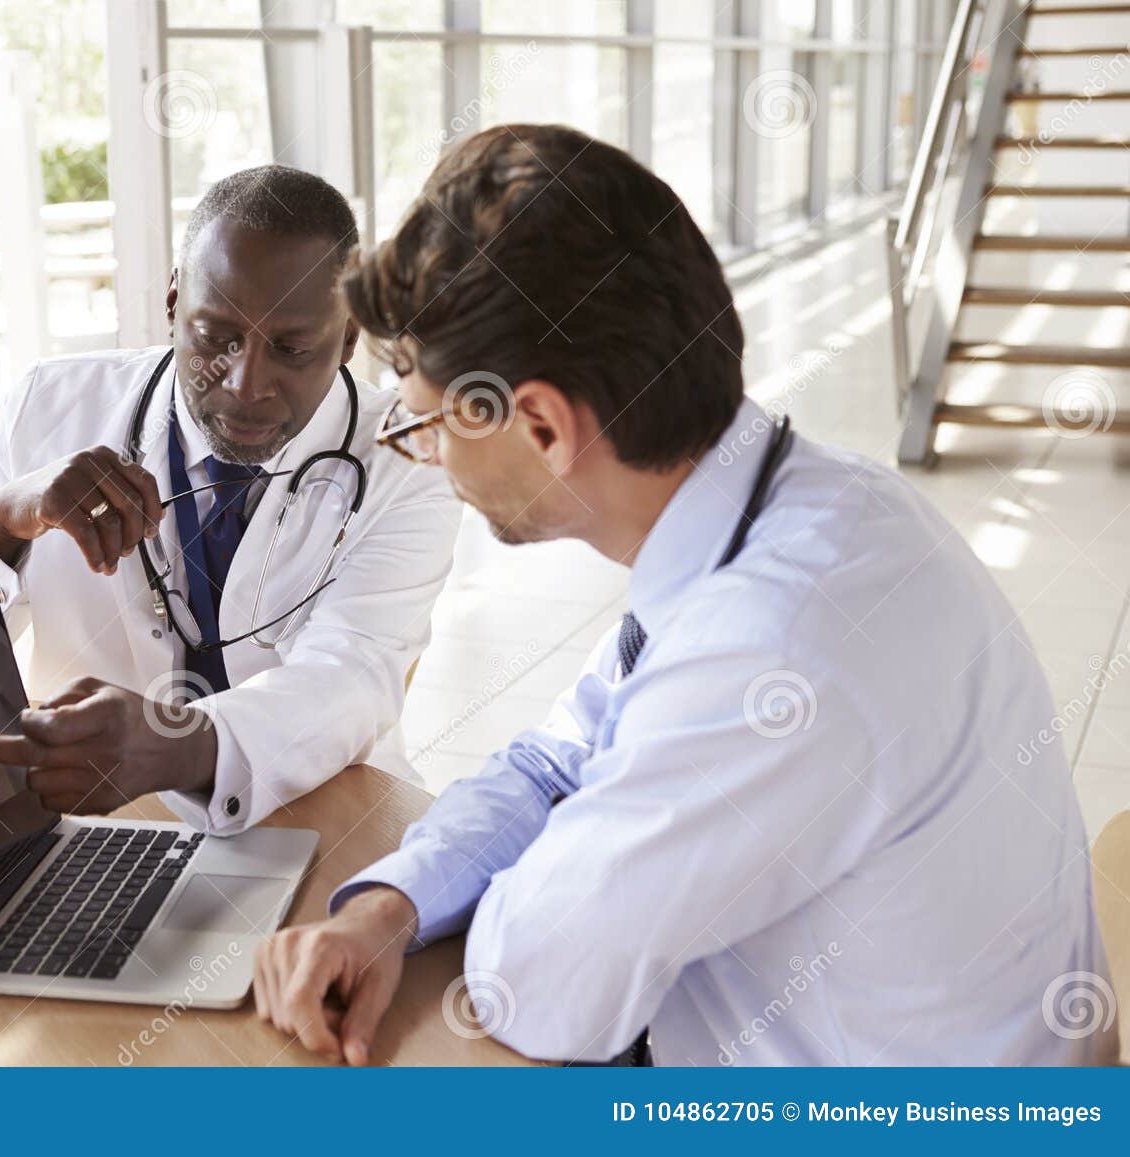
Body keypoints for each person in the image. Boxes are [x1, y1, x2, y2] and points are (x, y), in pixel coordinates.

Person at [251, 124, 1117, 1067]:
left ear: (538, 422)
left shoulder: (772, 644)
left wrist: (547, 869)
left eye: (424, 423)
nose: (424, 453)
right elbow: (557, 762)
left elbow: (534, 986)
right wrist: (393, 903)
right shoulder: (792, 502)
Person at [0, 165, 459, 834]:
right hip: (93, 825)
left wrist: (178, 745)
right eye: (215, 337)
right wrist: (2, 524)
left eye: (292, 349)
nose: (246, 382)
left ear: (349, 336)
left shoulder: (405, 462)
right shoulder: (48, 407)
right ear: (174, 304)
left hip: (319, 814)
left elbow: (350, 676)